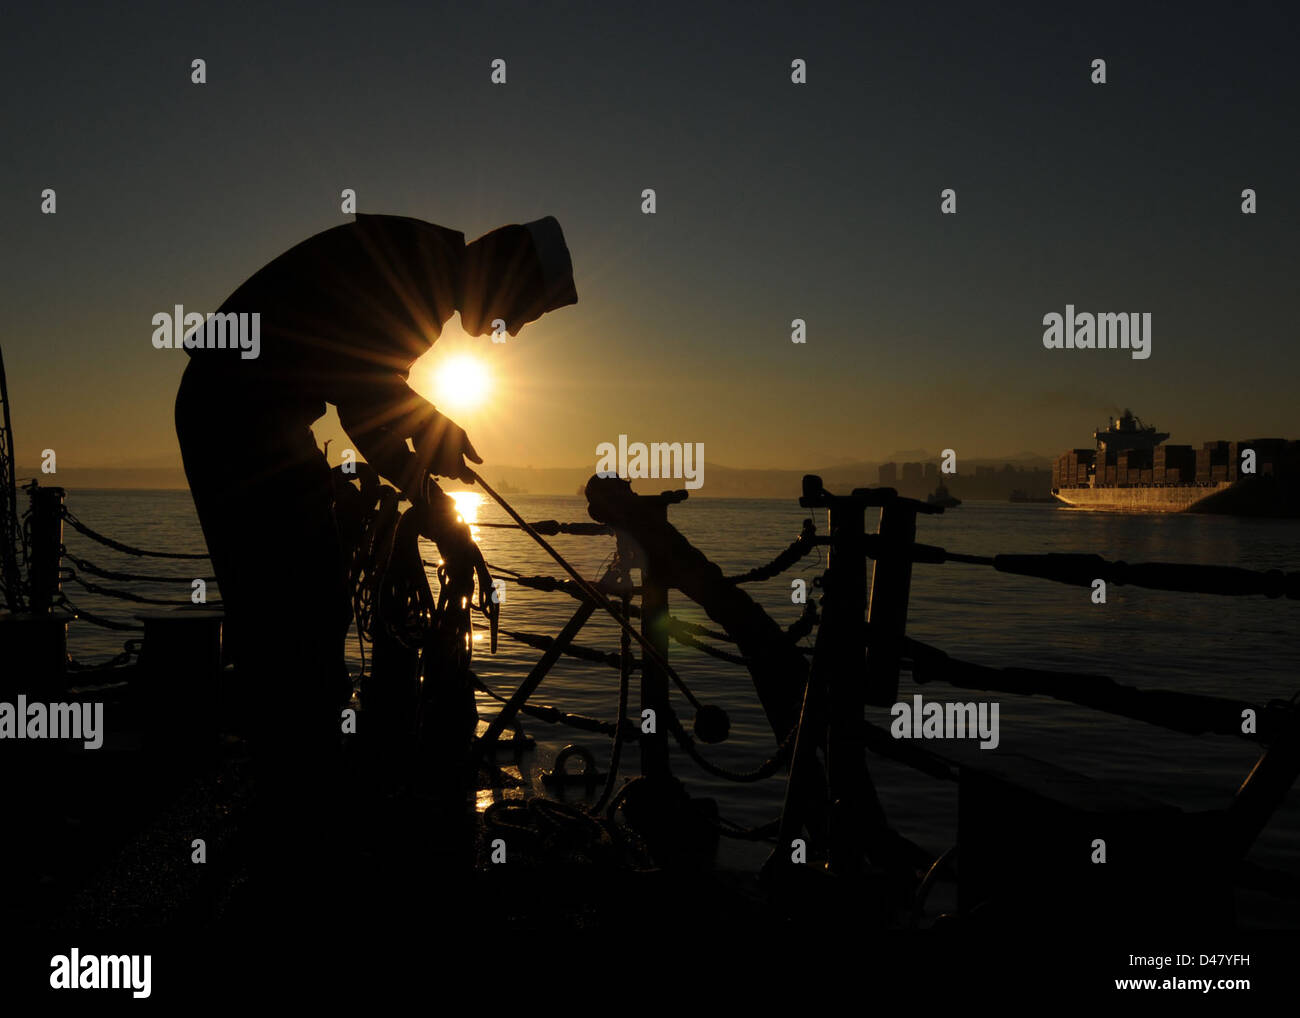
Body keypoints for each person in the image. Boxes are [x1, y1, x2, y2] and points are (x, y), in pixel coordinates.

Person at [173, 213, 576, 912]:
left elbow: (366, 382)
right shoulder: (416, 276)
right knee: (297, 609)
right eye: (524, 310)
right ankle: (297, 832)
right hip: (237, 420)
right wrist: (431, 473)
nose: (512, 328)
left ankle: (293, 809)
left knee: (299, 607)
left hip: (247, 413)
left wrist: (432, 436)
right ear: (505, 273)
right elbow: (365, 401)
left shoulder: (421, 266)